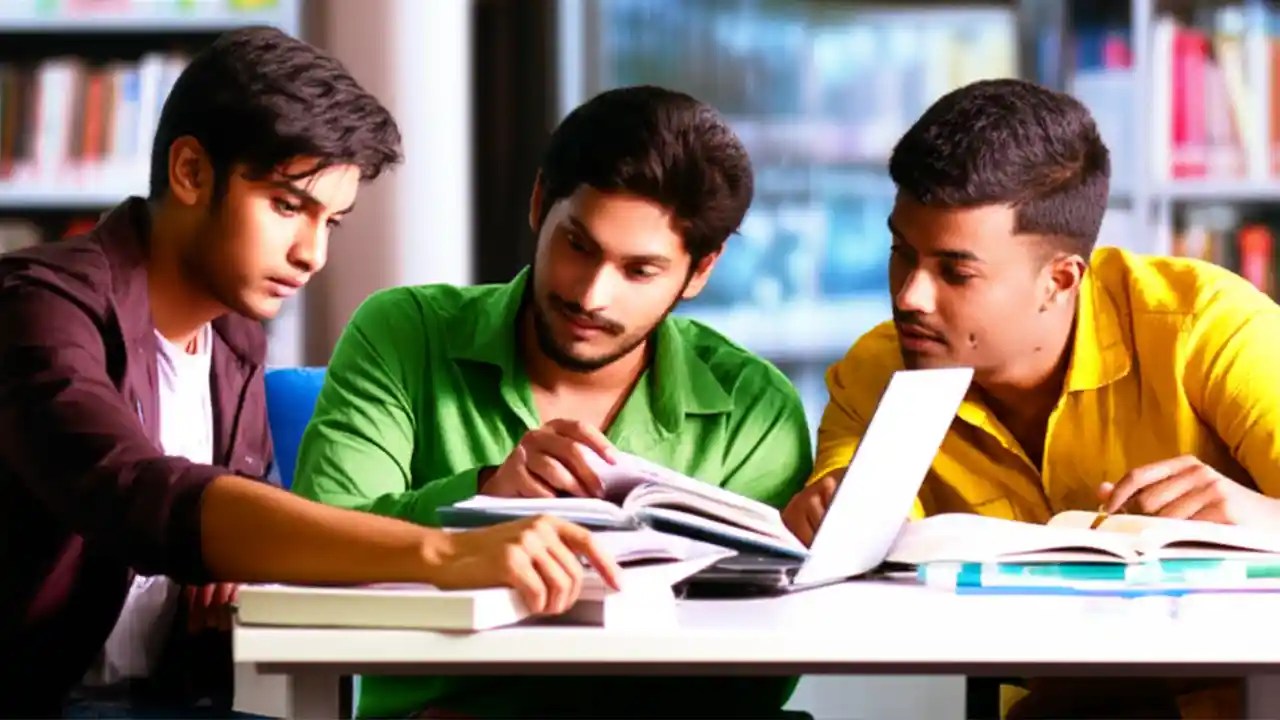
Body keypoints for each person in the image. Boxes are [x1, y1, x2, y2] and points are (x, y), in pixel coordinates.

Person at [0, 26, 619, 719]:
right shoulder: (36, 306)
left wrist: (235, 569)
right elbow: (136, 491)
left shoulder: (234, 342)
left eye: (333, 222)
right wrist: (448, 552)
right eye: (288, 206)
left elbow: (221, 540)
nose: (311, 254)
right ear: (191, 172)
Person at [292, 84, 813, 719]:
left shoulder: (754, 408)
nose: (593, 294)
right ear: (541, 205)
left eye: (639, 271)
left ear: (700, 271)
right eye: (579, 245)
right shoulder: (406, 333)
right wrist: (482, 497)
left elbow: (763, 670)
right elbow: (313, 549)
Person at [782, 77, 1280, 719]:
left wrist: (1265, 521)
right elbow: (849, 568)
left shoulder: (1210, 329)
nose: (909, 296)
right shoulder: (878, 372)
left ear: (1060, 279)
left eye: (955, 271)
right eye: (901, 253)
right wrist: (824, 529)